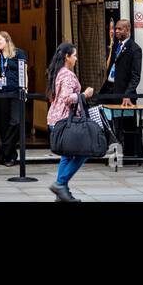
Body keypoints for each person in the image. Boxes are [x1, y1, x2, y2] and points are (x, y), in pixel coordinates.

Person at [45, 42, 94, 202]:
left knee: (66, 156)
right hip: (65, 121)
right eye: (74, 55)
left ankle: (61, 195)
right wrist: (84, 95)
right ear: (67, 57)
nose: (76, 59)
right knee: (83, 152)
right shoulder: (66, 74)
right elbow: (67, 98)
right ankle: (60, 184)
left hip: (56, 119)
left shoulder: (57, 72)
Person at [98, 19, 143, 156]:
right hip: (109, 88)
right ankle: (109, 146)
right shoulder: (115, 46)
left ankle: (127, 153)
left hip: (123, 92)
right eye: (116, 28)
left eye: (120, 29)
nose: (116, 31)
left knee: (123, 122)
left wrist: (127, 94)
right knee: (104, 116)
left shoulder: (135, 49)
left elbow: (135, 76)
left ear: (128, 30)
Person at [0, 31, 27, 166]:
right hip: (2, 93)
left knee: (16, 122)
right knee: (4, 125)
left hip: (16, 92)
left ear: (7, 40)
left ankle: (3, 151)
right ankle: (10, 156)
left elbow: (24, 72)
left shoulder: (18, 53)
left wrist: (25, 88)